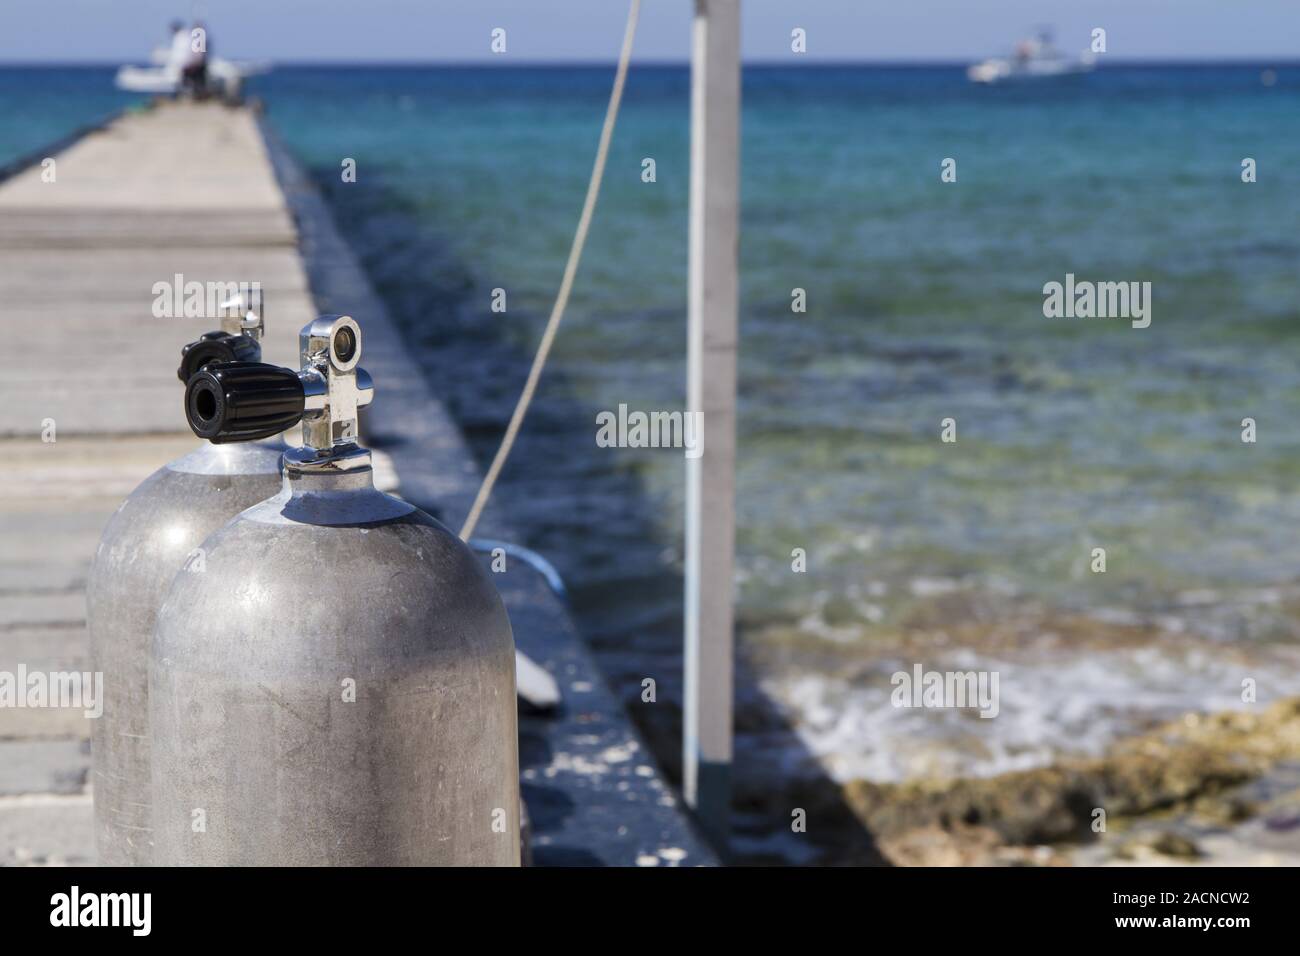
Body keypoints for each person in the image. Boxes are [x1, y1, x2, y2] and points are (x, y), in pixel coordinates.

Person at [180, 21, 210, 98]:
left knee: (199, 82)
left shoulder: (199, 39)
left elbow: (199, 55)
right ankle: (195, 95)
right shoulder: (195, 39)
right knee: (196, 82)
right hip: (196, 65)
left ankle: (198, 96)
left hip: (198, 65)